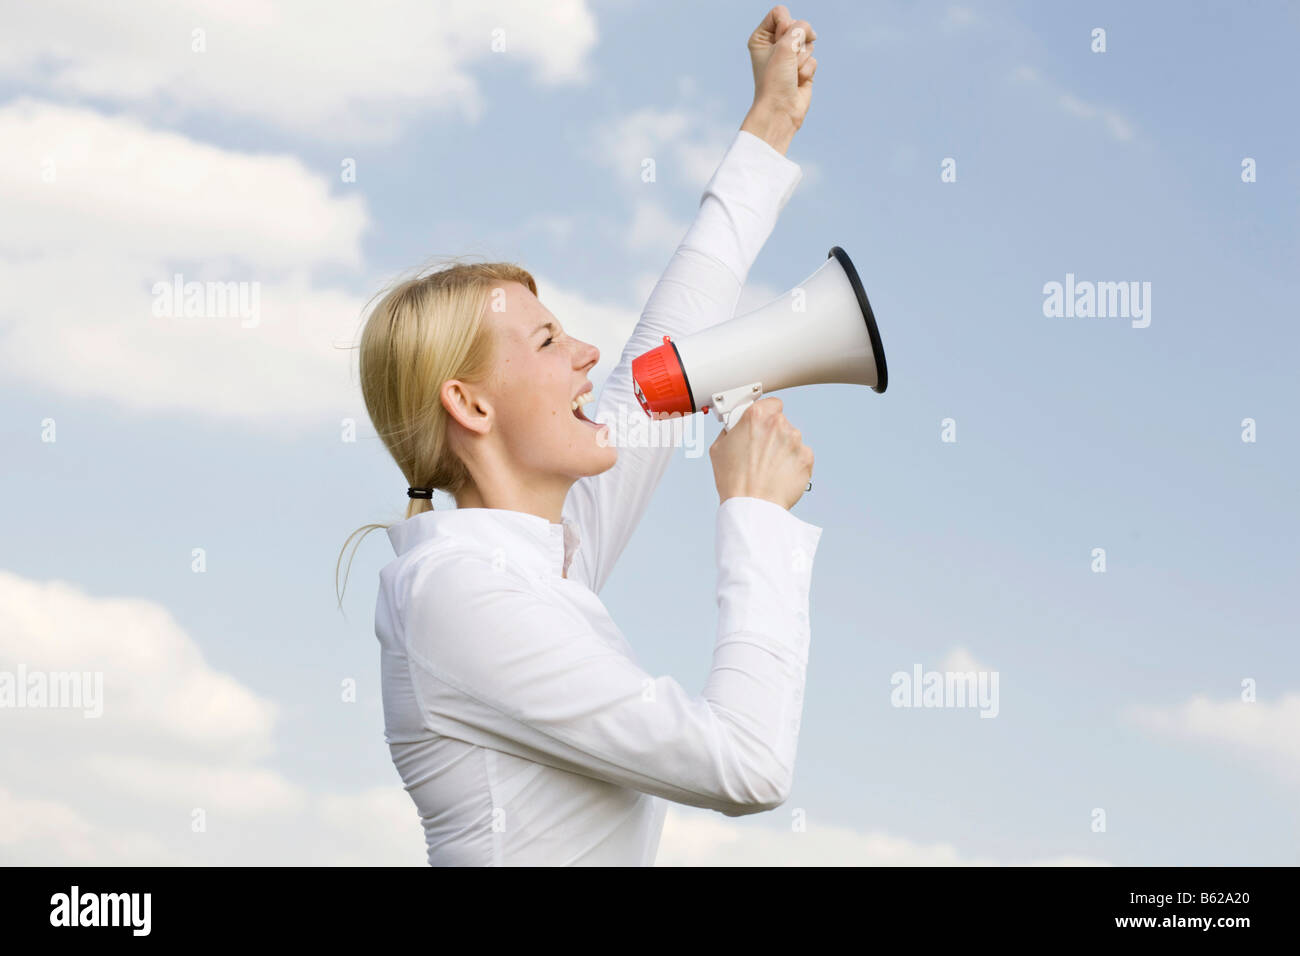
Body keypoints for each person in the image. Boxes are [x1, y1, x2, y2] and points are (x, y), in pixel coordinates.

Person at [341, 6, 822, 865]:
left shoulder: (539, 558)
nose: (587, 355)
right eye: (548, 340)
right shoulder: (459, 594)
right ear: (472, 407)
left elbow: (662, 345)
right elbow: (746, 767)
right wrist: (754, 516)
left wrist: (769, 124)